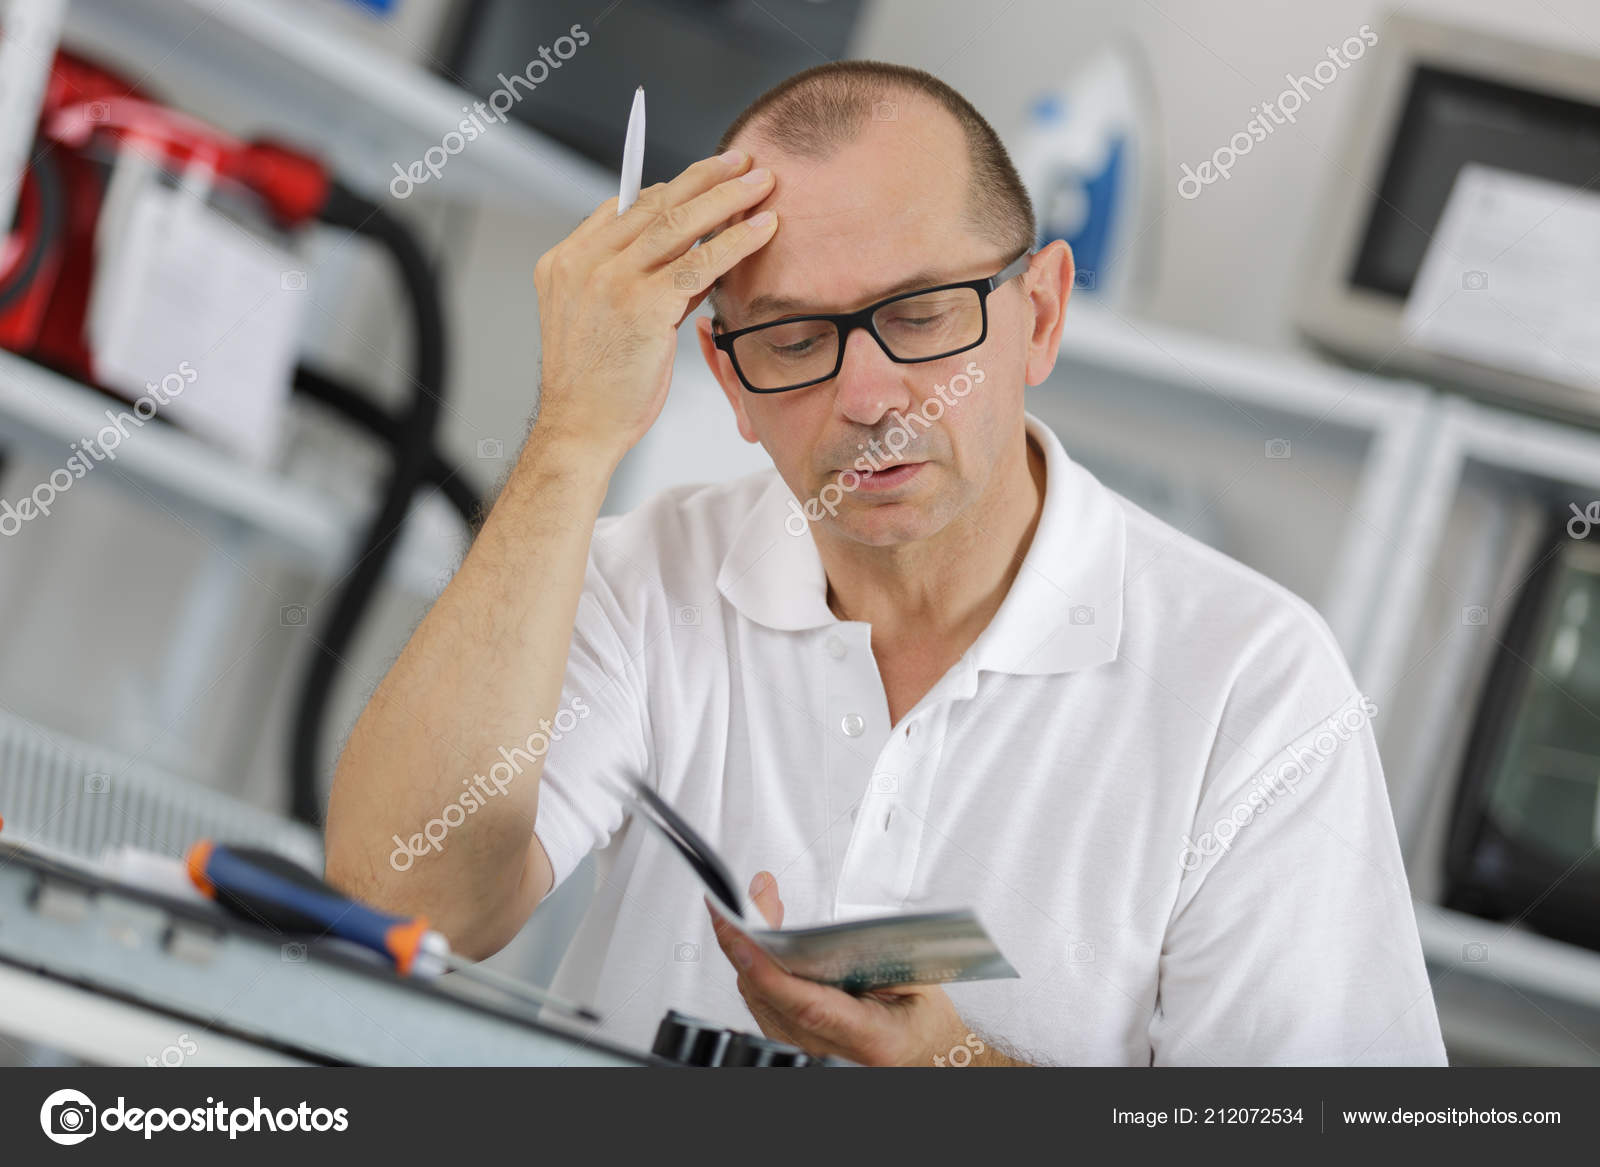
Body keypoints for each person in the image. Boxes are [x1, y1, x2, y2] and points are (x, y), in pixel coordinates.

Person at [325, 60, 1446, 1066]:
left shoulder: (1252, 684)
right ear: (728, 380)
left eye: (918, 315)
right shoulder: (651, 577)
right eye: (796, 340)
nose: (865, 399)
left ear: (1040, 316)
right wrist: (571, 435)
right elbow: (400, 898)